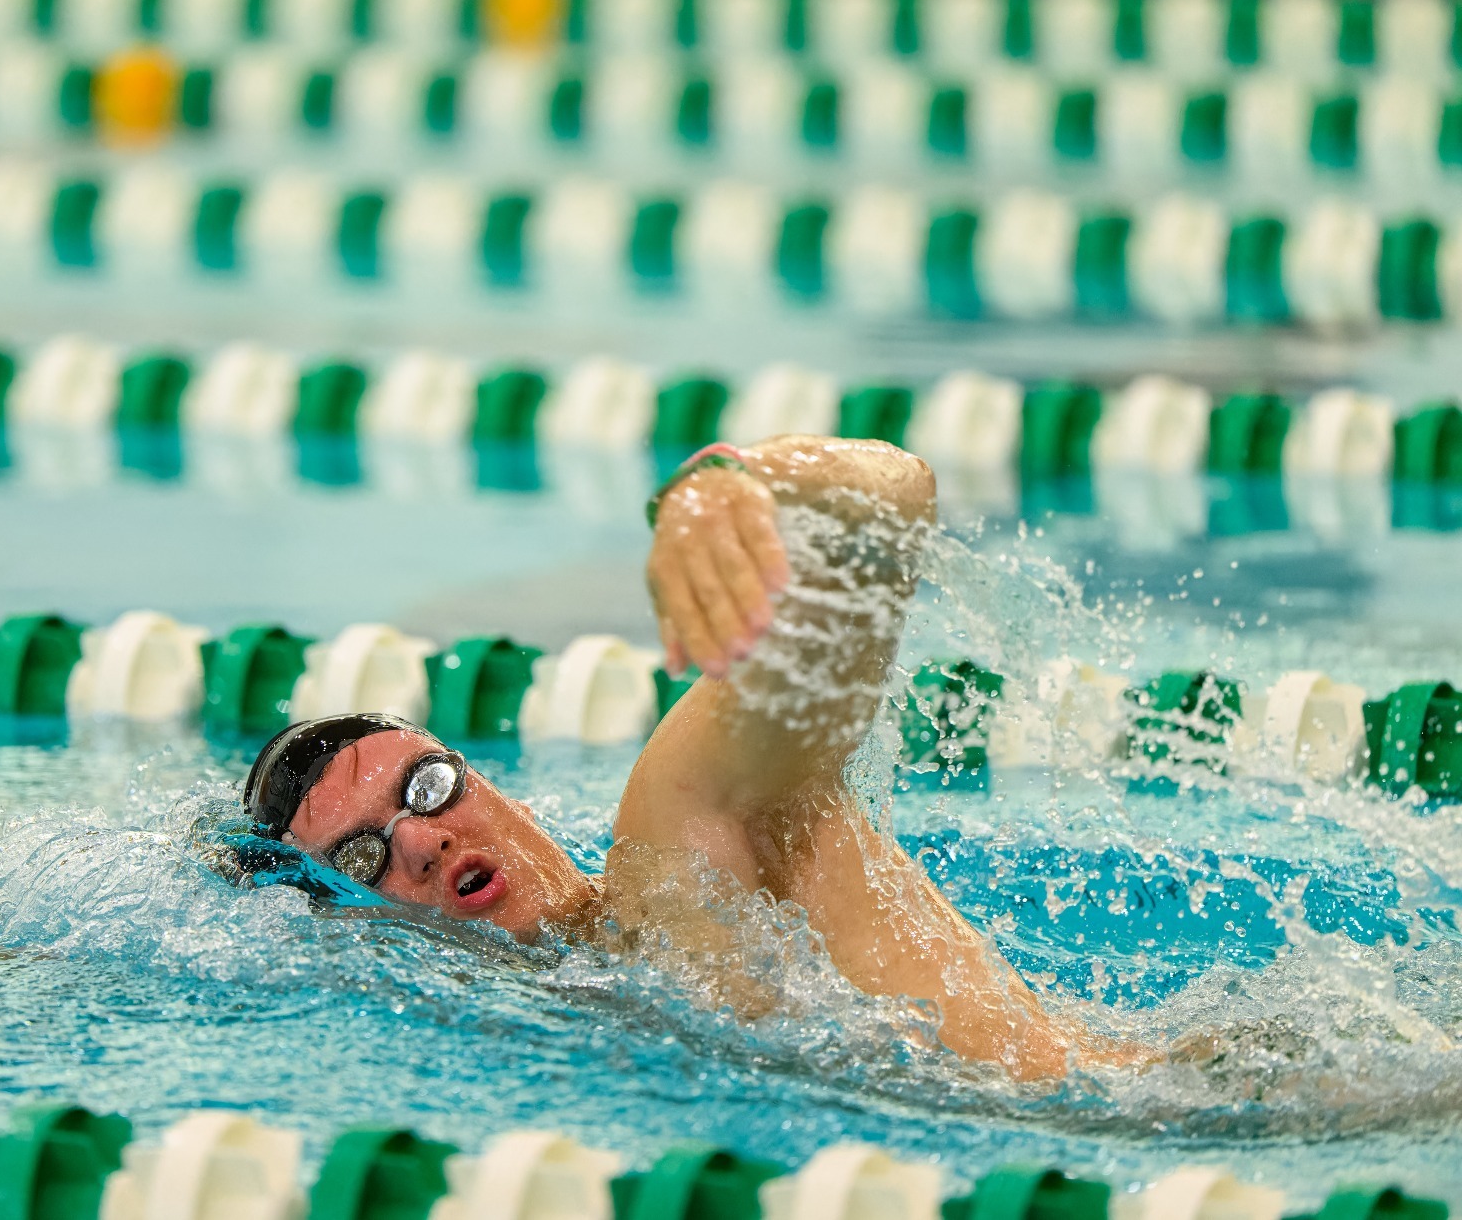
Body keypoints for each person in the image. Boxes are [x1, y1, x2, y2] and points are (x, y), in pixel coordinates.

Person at [239, 434, 1134, 1082]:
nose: (422, 841)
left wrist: (723, 482)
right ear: (351, 924)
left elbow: (893, 501)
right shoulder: (570, 1028)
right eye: (364, 855)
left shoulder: (677, 836)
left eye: (427, 787)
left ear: (497, 786)